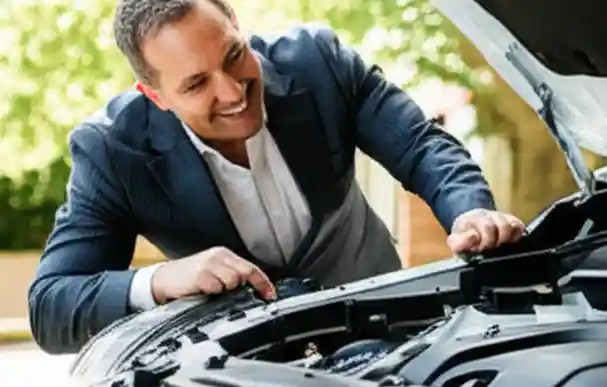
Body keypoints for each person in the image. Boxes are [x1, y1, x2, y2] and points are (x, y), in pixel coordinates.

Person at [27, 0, 526, 354]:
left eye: (233, 55)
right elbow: (51, 306)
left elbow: (420, 146)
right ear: (154, 95)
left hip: (396, 326)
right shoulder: (113, 151)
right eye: (197, 84)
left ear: (238, 26)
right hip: (254, 369)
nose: (232, 91)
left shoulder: (319, 64)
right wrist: (160, 281)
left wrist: (469, 211)